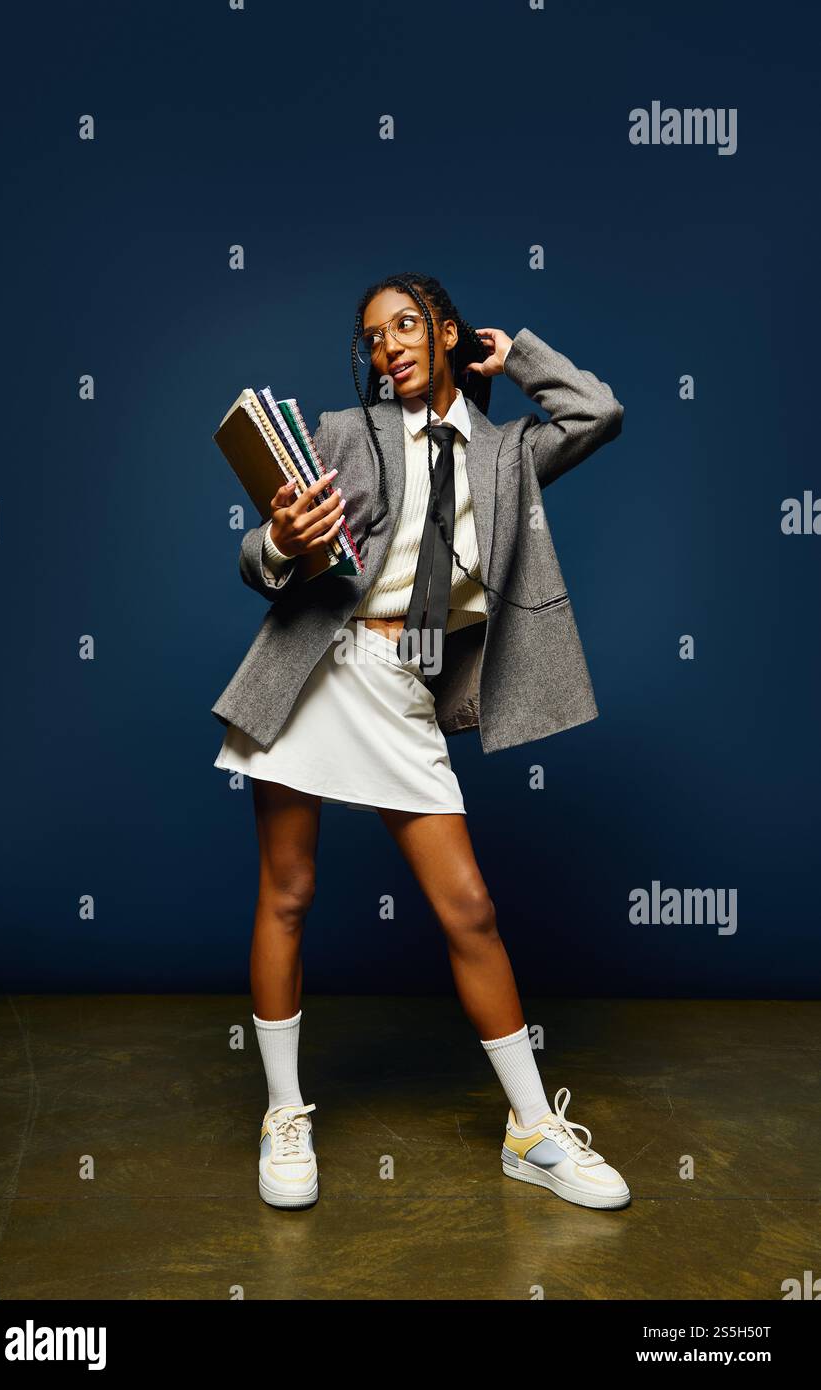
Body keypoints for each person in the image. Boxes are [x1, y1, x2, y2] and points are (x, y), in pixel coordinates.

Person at [212, 272, 629, 1211]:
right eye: (374, 336)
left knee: (469, 909)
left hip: (404, 692)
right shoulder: (343, 433)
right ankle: (284, 1113)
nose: (390, 346)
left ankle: (532, 1132)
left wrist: (513, 355)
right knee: (289, 891)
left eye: (408, 325)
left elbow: (598, 412)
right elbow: (254, 555)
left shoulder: (506, 455)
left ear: (445, 332)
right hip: (317, 671)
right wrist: (280, 541)